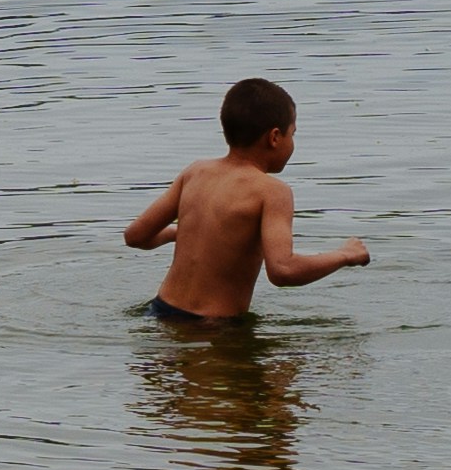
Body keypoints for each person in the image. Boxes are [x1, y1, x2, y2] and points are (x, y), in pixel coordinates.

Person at [130, 77, 370, 323]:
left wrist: (177, 233)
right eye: (293, 134)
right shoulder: (271, 191)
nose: (293, 142)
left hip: (159, 312)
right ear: (275, 137)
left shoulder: (195, 172)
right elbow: (283, 271)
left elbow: (136, 236)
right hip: (211, 330)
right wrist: (344, 255)